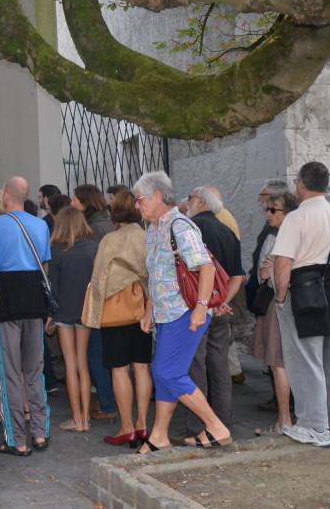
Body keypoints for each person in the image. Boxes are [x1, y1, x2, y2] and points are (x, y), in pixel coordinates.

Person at [132, 171, 232, 453]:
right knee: (165, 374)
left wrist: (201, 310)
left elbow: (207, 267)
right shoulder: (153, 228)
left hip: (185, 313)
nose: (137, 206)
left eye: (140, 200)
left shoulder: (180, 225)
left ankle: (215, 426)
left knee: (168, 373)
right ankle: (160, 436)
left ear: (157, 196)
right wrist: (149, 310)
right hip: (165, 315)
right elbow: (157, 275)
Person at [273, 161, 330, 447]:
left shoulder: (296, 219)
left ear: (301, 184)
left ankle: (315, 426)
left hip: (305, 290)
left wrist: (281, 296)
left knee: (306, 360)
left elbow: (283, 263)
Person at [0, 176, 51, 456]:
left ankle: (17, 440)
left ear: (5, 196)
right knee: (34, 371)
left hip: (7, 298)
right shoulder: (40, 225)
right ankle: (40, 433)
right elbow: (45, 266)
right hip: (35, 297)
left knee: (10, 372)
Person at [83, 190, 152, 447]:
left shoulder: (110, 240)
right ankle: (144, 425)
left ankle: (127, 427)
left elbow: (99, 278)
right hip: (142, 310)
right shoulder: (147, 237)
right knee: (142, 367)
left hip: (115, 312)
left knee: (119, 369)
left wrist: (94, 314)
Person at [185, 186, 246, 436]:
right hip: (218, 311)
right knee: (219, 367)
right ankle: (224, 424)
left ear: (200, 201)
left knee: (195, 367)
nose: (187, 203)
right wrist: (222, 302)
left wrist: (207, 304)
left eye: (189, 198)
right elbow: (238, 276)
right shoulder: (226, 231)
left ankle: (198, 427)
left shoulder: (189, 230)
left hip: (194, 310)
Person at [249, 192, 299, 435]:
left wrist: (268, 276)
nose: (268, 213)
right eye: (268, 209)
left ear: (288, 213)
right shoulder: (301, 234)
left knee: (279, 363)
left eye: (274, 210)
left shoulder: (280, 238)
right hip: (299, 304)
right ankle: (294, 417)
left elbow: (269, 275)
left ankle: (284, 421)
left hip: (281, 304)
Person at [47, 206, 97, 433]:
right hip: (86, 311)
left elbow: (53, 287)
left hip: (64, 312)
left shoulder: (57, 250)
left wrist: (50, 313)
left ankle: (76, 418)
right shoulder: (93, 248)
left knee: (70, 364)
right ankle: (86, 418)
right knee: (83, 363)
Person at [71, 184, 117, 422]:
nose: (72, 204)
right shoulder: (106, 223)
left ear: (86, 203)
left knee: (96, 353)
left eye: (76, 200)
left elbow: (97, 268)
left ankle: (108, 405)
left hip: (98, 299)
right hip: (110, 298)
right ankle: (107, 401)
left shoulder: (94, 229)